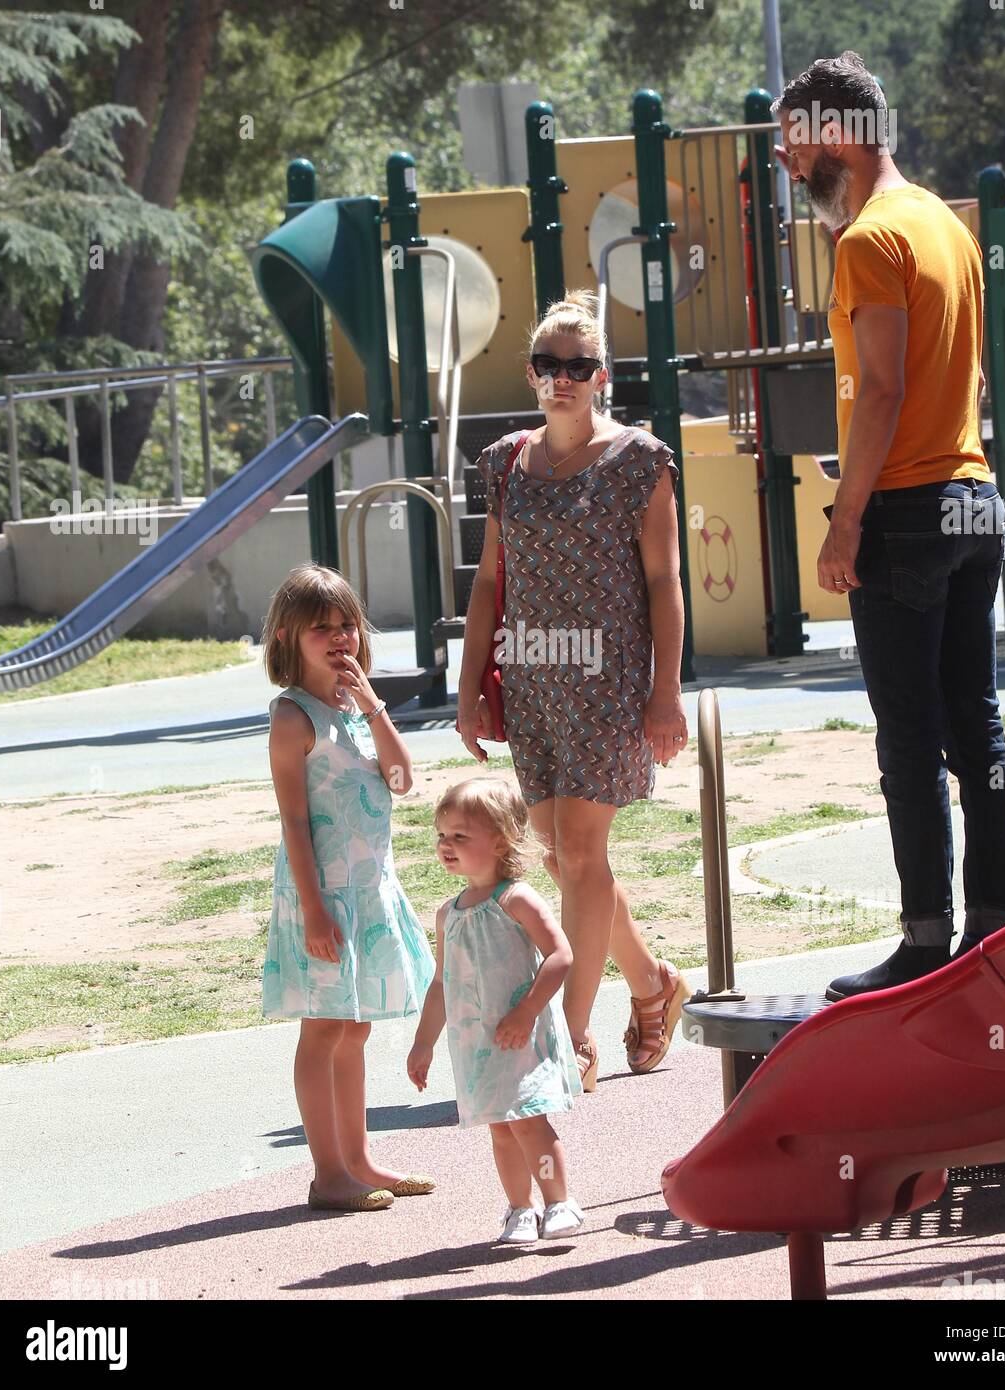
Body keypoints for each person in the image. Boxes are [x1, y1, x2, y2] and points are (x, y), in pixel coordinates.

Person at [773, 52, 1005, 1000]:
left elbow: (878, 392)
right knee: (977, 726)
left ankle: (924, 943)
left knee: (910, 741)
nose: (790, 169)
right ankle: (996, 924)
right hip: (972, 500)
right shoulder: (944, 225)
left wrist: (844, 525)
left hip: (907, 512)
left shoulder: (869, 239)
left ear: (836, 131)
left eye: (793, 145)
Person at [456, 288, 691, 1089]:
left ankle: (573, 1035)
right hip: (531, 679)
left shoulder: (638, 460)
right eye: (547, 366)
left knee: (582, 853)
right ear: (530, 373)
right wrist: (468, 685)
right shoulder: (502, 464)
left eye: (577, 366)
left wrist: (666, 694)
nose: (561, 379)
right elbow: (489, 580)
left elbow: (663, 580)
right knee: (560, 859)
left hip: (610, 681)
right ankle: (652, 983)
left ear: (600, 375)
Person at [261, 563, 436, 1210]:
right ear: (286, 637)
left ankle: (359, 1158)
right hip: (324, 895)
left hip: (368, 888)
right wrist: (312, 908)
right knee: (325, 1027)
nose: (339, 638)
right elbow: (295, 821)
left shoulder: (355, 707)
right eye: (321, 629)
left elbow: (401, 780)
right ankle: (327, 1173)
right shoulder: (292, 718)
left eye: (347, 626)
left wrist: (374, 705)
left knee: (356, 1026)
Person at [407, 779, 584, 1245]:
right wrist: (423, 1042)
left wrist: (527, 1011)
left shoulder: (517, 898)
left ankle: (558, 1200)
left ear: (501, 839)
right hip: (478, 1044)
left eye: (460, 836)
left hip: (520, 1036)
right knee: (502, 1128)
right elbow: (442, 983)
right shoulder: (449, 913)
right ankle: (520, 1209)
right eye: (442, 835)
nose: (446, 845)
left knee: (529, 1121)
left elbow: (561, 954)